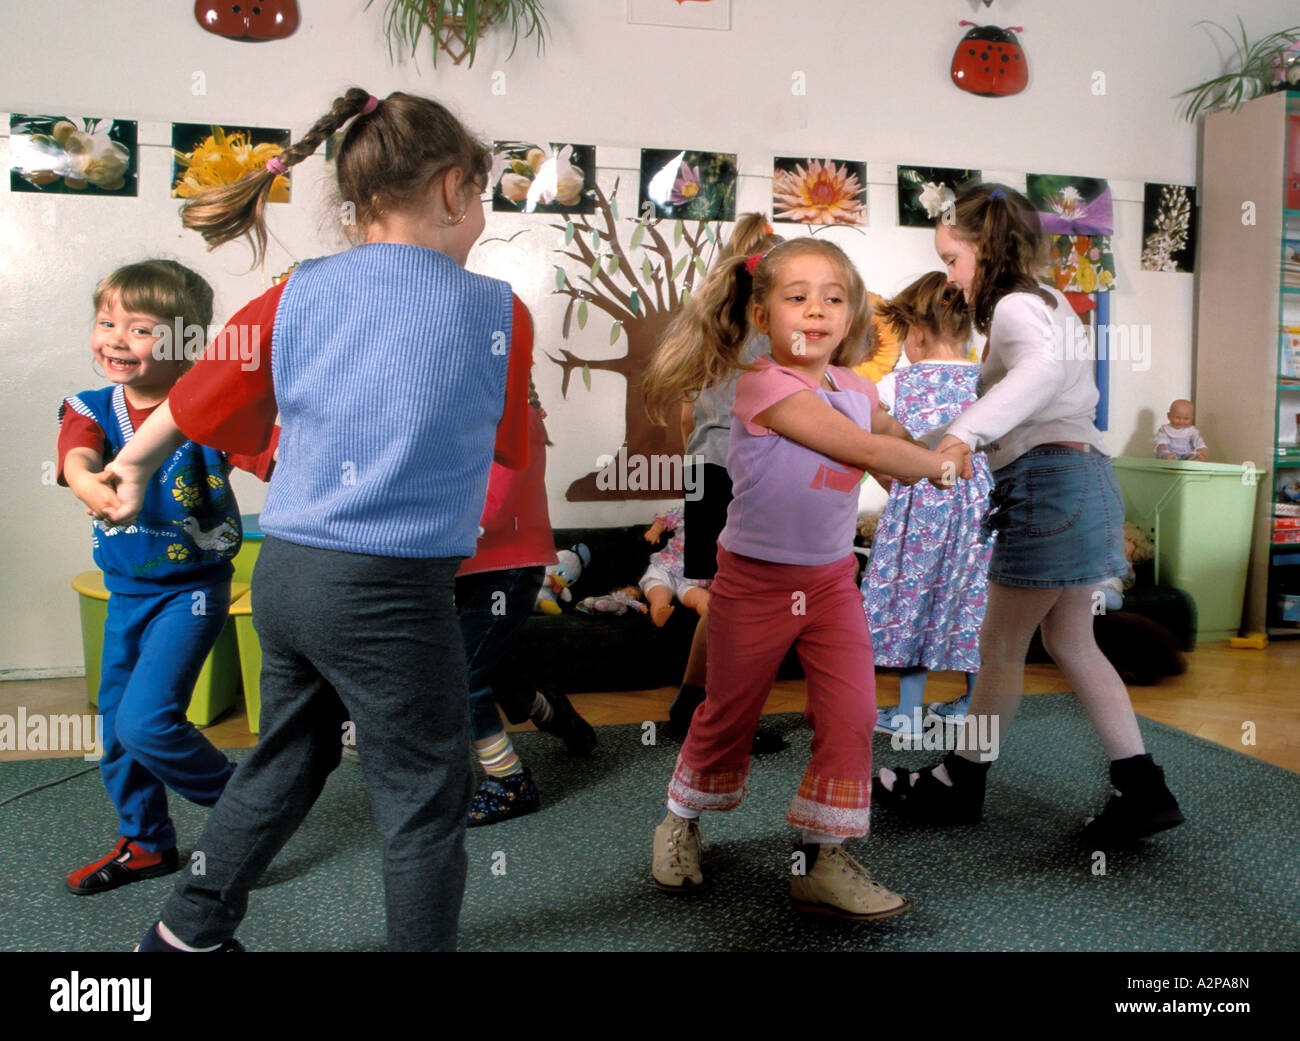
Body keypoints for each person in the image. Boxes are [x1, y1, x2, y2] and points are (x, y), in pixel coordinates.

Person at [98, 88, 533, 951]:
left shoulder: (294, 289)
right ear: (453, 188)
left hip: (288, 573)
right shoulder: (497, 313)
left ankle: (186, 933)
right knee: (424, 794)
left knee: (289, 759)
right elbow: (510, 448)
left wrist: (131, 462)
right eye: (481, 196)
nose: (481, 216)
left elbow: (196, 398)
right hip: (390, 589)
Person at [645, 237, 971, 918]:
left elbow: (887, 439)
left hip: (827, 583)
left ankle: (822, 855)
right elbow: (859, 446)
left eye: (833, 298)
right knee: (729, 712)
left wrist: (942, 448)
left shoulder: (855, 387)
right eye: (797, 297)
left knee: (851, 712)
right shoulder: (762, 386)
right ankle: (679, 820)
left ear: (851, 316)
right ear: (762, 316)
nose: (816, 310)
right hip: (754, 582)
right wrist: (927, 464)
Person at [874, 183, 1185, 847]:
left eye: (953, 259)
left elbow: (1037, 380)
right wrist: (910, 452)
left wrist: (962, 438)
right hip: (1082, 478)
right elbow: (1022, 397)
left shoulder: (1016, 307)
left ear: (984, 250)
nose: (953, 278)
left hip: (1047, 483)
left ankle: (960, 779)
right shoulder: (1045, 303)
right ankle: (1143, 788)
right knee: (1069, 640)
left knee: (1000, 644)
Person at [59, 259, 277, 896]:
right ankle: (147, 843)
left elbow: (273, 455)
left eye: (141, 329)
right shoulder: (92, 406)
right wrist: (83, 479)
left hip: (193, 592)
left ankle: (252, 816)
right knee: (117, 729)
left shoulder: (211, 411)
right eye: (106, 323)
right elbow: (76, 454)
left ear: (187, 342)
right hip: (124, 593)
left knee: (147, 722)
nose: (116, 339)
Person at [646, 214, 785, 754]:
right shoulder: (770, 329)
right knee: (750, 603)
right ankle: (726, 718)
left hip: (705, 470)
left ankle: (690, 705)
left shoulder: (714, 322)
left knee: (725, 598)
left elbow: (687, 418)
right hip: (746, 472)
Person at [455, 386, 597, 827]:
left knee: (463, 674)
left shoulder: (515, 413)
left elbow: (492, 508)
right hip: (472, 569)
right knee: (488, 666)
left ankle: (509, 782)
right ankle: (551, 711)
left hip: (509, 570)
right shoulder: (472, 409)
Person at [866, 272, 993, 740]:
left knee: (910, 602)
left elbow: (873, 445)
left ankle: (909, 713)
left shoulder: (896, 386)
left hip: (922, 510)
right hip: (982, 513)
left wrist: (892, 478)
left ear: (916, 335)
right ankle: (974, 709)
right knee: (976, 604)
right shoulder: (990, 380)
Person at [639, 506, 709, 627]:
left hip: (694, 580)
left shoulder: (732, 523)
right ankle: (658, 615)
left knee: (705, 600)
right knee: (660, 594)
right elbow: (665, 519)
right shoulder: (686, 511)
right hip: (667, 566)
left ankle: (710, 619)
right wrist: (655, 531)